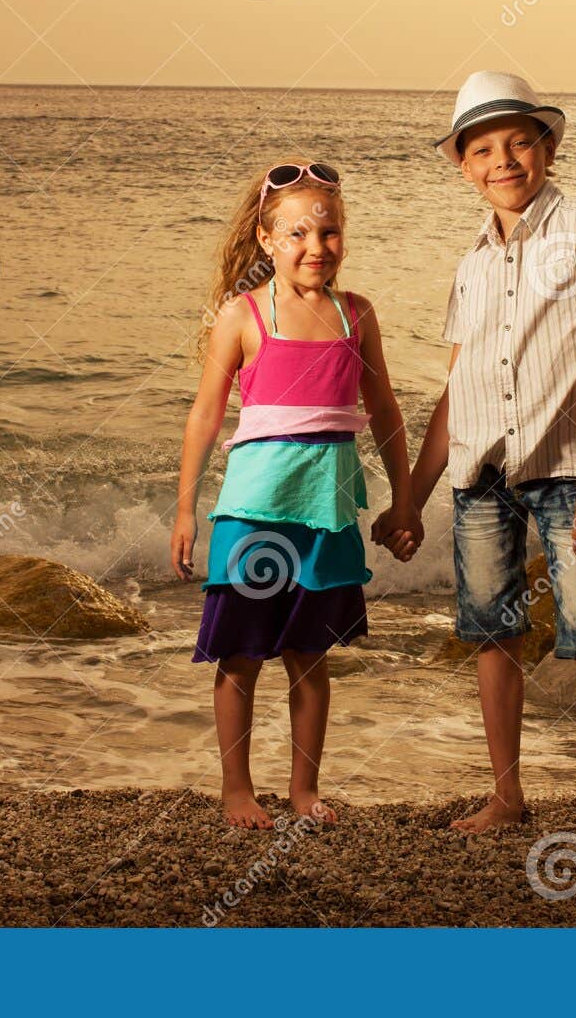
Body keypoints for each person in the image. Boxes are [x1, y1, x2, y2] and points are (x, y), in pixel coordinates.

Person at [379, 71, 576, 856]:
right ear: (463, 165)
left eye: (519, 141)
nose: (503, 159)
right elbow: (457, 392)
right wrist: (412, 498)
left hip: (568, 470)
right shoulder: (471, 266)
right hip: (481, 481)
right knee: (494, 639)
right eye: (482, 148)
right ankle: (507, 796)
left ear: (547, 146)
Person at [173, 158, 422, 829]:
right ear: (266, 239)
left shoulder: (357, 315)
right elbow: (203, 415)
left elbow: (387, 412)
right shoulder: (244, 314)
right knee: (240, 656)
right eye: (298, 234)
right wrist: (185, 511)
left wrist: (404, 499)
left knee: (310, 659)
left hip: (327, 514)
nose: (316, 247)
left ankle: (304, 789)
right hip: (253, 515)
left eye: (330, 231)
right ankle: (236, 790)